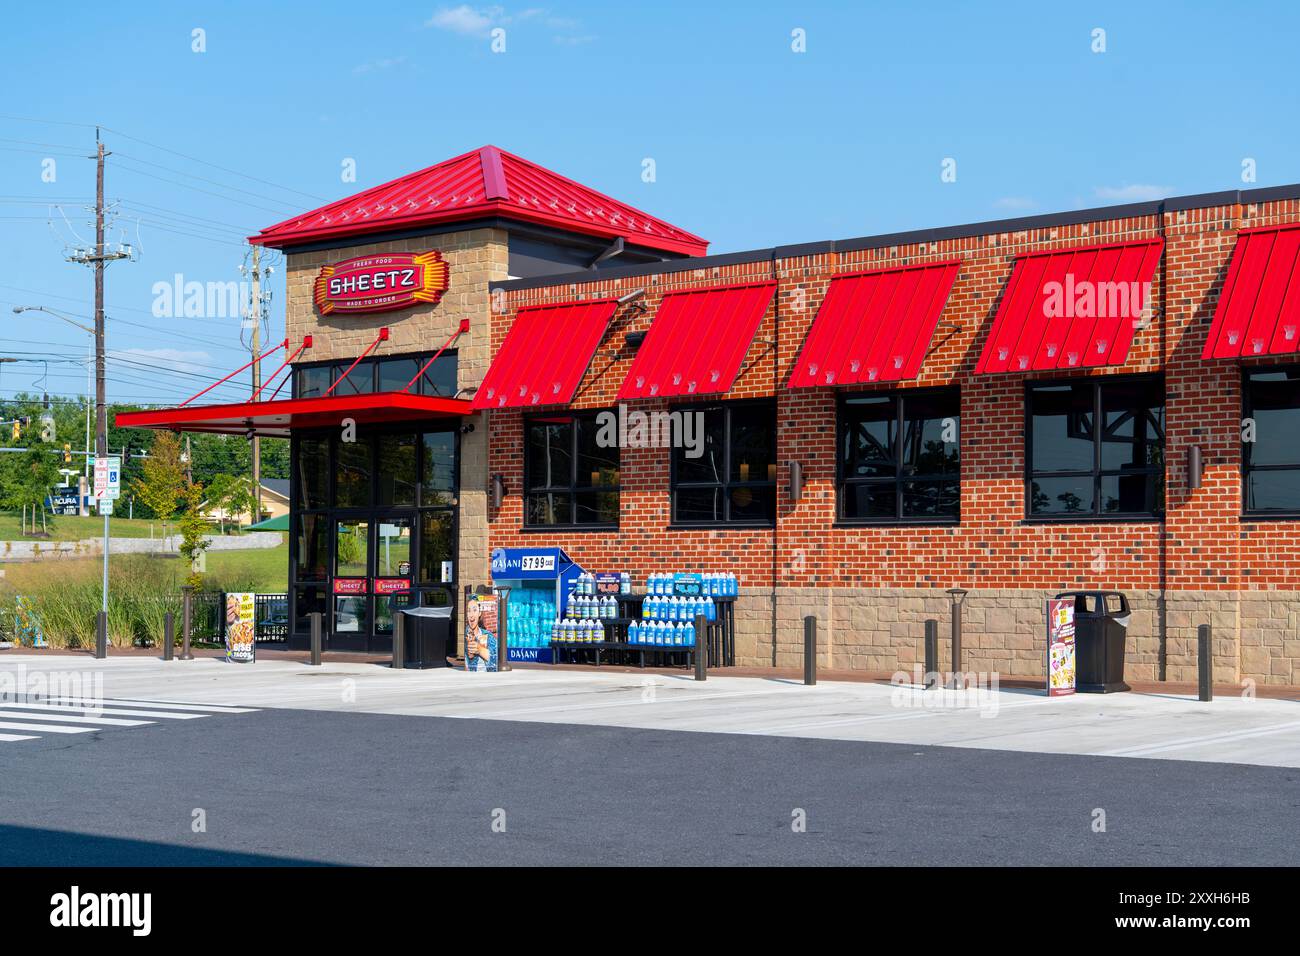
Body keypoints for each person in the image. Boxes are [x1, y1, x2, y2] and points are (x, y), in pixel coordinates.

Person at [464, 600, 498, 672]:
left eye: (474, 610)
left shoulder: (487, 636)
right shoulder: (463, 636)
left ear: (479, 613)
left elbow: (497, 660)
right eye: (468, 611)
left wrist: (480, 650)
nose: (471, 615)